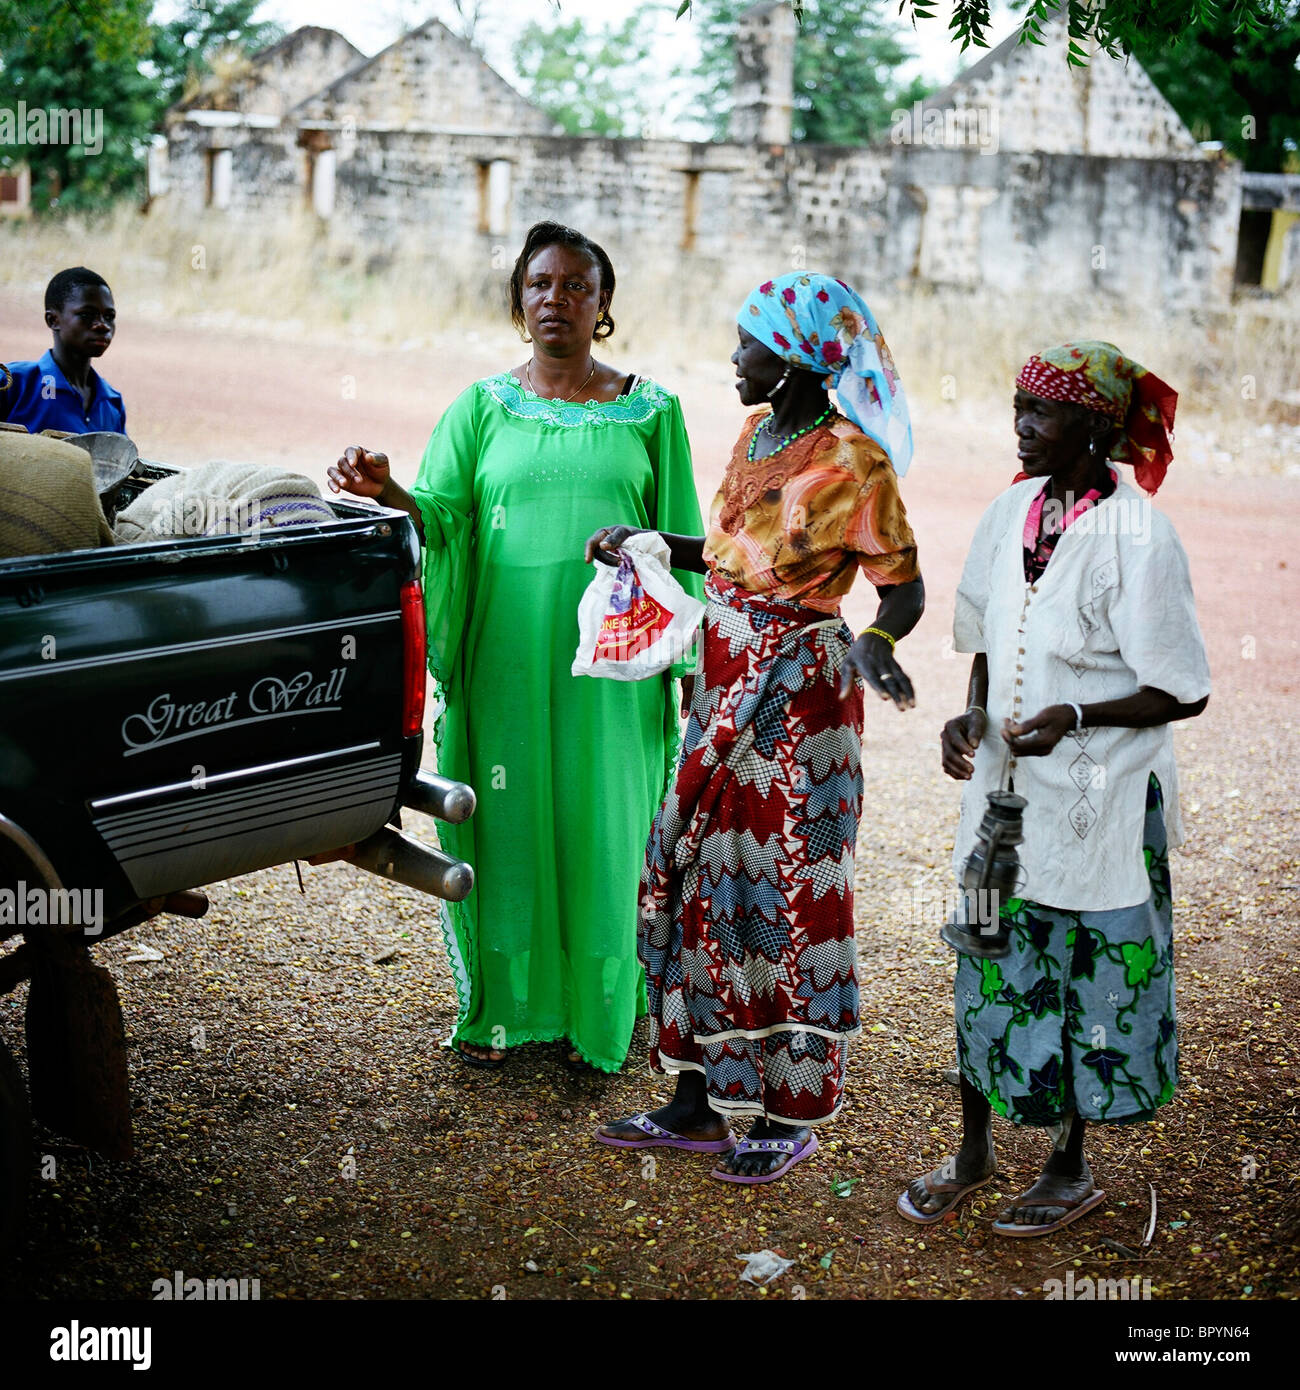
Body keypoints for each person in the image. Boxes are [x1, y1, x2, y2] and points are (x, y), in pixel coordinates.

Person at [328, 222, 704, 1073]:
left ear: (603, 305)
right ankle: (505, 1011)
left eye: (578, 286)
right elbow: (444, 517)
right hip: (504, 653)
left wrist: (687, 669)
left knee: (604, 825)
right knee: (506, 823)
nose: (557, 300)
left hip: (614, 666)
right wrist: (384, 487)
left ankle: (597, 1017)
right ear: (517, 301)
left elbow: (684, 538)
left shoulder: (652, 410)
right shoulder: (481, 407)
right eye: (540, 284)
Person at [593, 272, 924, 1182]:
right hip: (724, 673)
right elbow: (736, 560)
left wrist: (880, 644)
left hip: (801, 694)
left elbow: (903, 584)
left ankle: (790, 1112)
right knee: (697, 868)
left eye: (748, 344)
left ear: (793, 360)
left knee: (786, 892)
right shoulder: (753, 435)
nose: (733, 358)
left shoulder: (856, 463)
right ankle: (696, 1101)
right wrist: (648, 542)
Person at [900, 341, 1210, 1236]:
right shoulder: (1012, 509)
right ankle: (971, 1152)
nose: (1021, 427)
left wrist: (1075, 714)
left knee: (1080, 973)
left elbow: (1183, 688)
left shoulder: (1141, 534)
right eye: (1017, 407)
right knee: (988, 956)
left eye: (1042, 412)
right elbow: (991, 642)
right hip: (1006, 794)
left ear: (1100, 427)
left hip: (1099, 799)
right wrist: (970, 716)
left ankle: (1068, 1169)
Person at [1, 268, 127, 435]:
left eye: (109, 316)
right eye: (86, 315)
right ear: (53, 320)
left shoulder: (111, 402)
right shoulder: (15, 383)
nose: (102, 325)